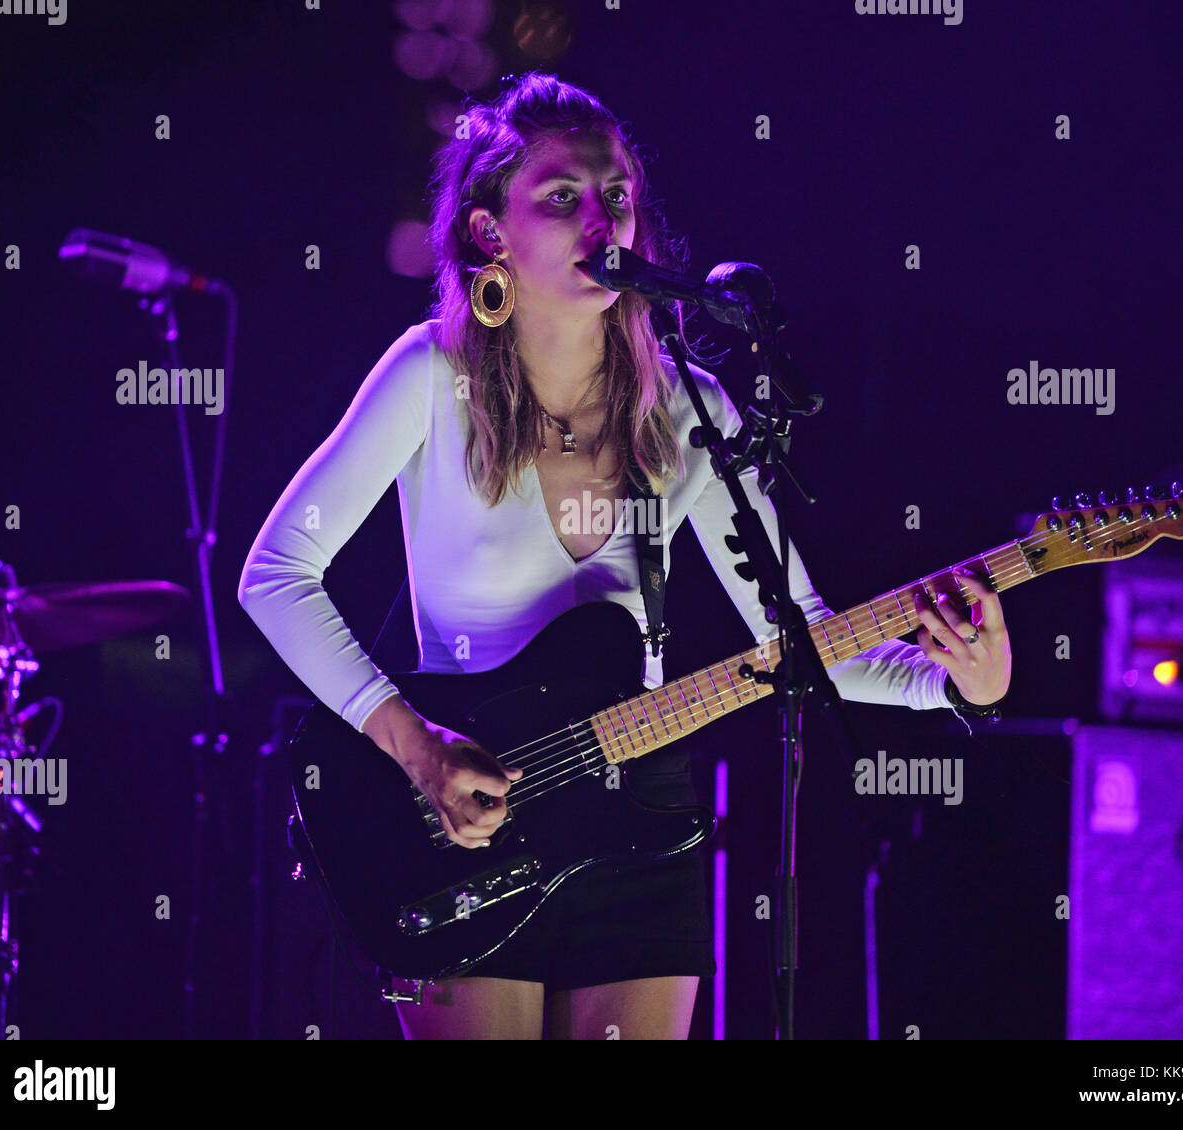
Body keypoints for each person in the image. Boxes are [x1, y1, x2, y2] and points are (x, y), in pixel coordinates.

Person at [237, 72, 1012, 1040]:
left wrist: (953, 682)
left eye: (616, 195)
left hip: (640, 820)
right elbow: (272, 574)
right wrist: (417, 747)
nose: (601, 218)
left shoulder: (693, 413)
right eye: (562, 196)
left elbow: (801, 636)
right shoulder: (428, 378)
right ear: (489, 233)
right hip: (464, 817)